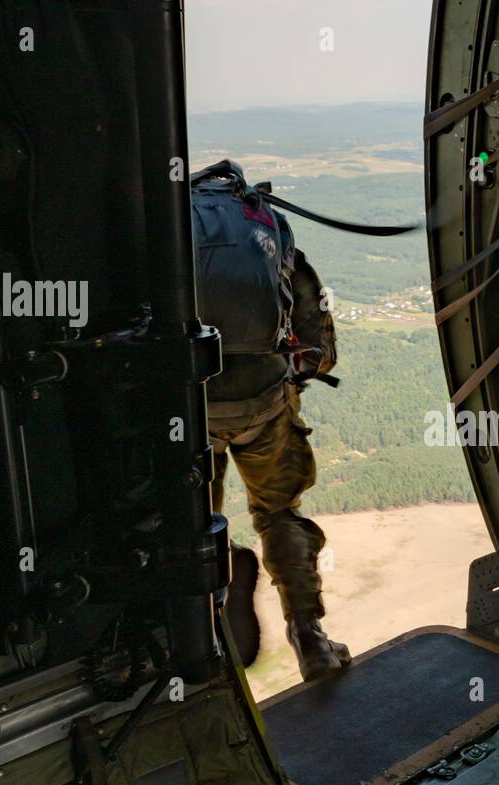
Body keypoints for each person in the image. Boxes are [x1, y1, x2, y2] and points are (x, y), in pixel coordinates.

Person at [192, 162, 350, 681]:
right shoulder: (271, 232)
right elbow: (318, 346)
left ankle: (205, 640)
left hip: (190, 411)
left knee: (192, 525)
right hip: (263, 402)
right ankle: (310, 637)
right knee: (279, 511)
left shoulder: (166, 236)